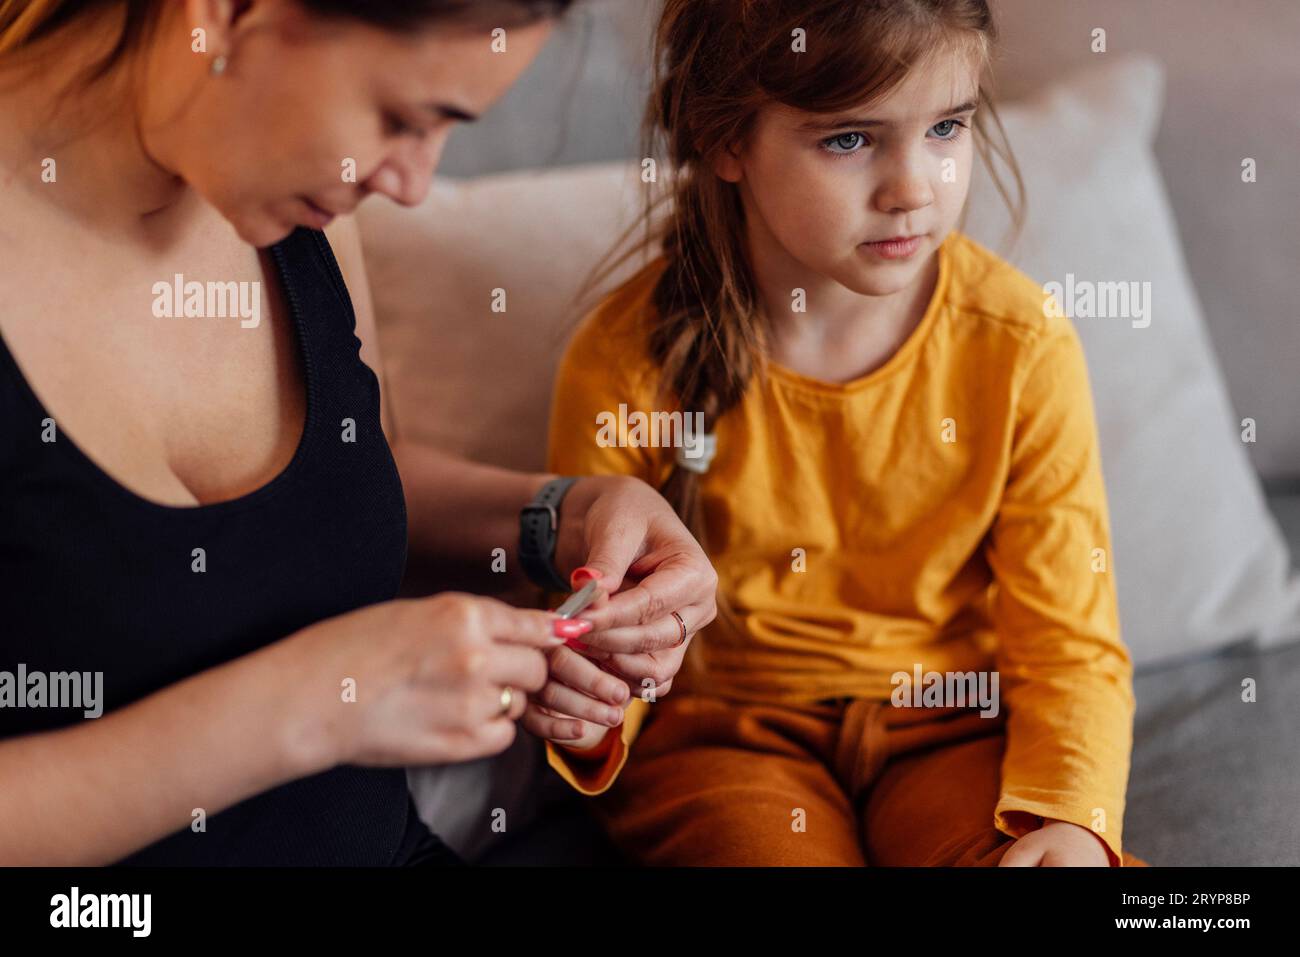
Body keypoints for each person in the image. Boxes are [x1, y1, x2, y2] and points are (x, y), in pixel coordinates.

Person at [0, 0, 715, 865]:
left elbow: (356, 482)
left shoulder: (301, 212)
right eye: (401, 119)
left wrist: (567, 517)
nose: (412, 184)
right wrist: (314, 704)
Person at [544, 0, 1150, 867]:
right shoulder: (622, 360)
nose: (916, 188)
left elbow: (1069, 640)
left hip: (957, 727)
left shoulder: (1020, 346)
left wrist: (1074, 819)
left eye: (947, 127)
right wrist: (591, 705)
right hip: (729, 739)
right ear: (727, 141)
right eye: (850, 139)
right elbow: (611, 641)